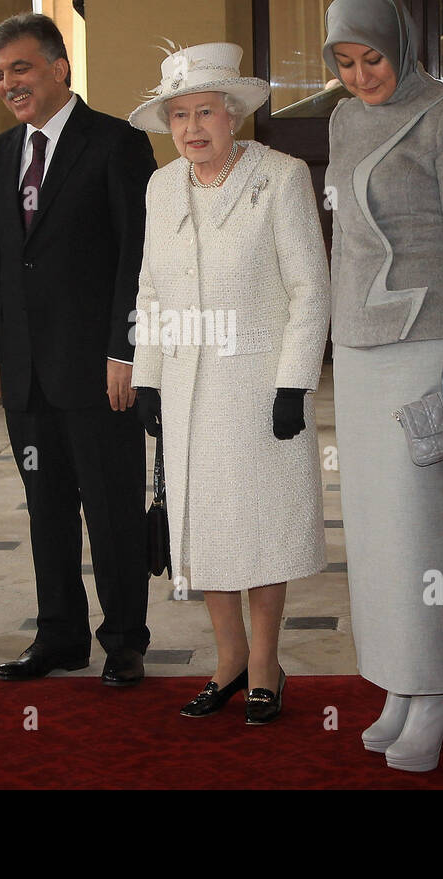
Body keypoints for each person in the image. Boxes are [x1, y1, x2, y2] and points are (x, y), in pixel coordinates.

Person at [323, 0, 443, 770]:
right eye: (345, 61)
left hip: (429, 344)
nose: (361, 76)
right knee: (379, 537)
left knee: (428, 528)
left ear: (405, 40)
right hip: (359, 354)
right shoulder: (342, 117)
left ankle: (442, 687)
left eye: (373, 58)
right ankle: (401, 679)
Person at [128, 43, 330, 725]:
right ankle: (230, 659)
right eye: (179, 114)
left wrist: (293, 383)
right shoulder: (160, 188)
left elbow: (310, 288)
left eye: (205, 111)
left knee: (260, 526)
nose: (192, 128)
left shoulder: (281, 176)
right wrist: (148, 378)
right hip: (186, 391)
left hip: (256, 385)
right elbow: (150, 290)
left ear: (234, 113)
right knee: (204, 530)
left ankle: (268, 663)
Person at [0, 13, 157, 686]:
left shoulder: (117, 144)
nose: (8, 84)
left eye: (19, 68)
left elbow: (139, 259)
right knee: (45, 509)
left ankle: (124, 641)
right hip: (24, 375)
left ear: (57, 67)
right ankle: (59, 637)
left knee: (111, 511)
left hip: (99, 370)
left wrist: (126, 352)